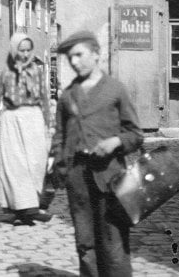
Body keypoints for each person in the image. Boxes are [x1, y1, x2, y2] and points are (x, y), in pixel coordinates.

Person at [50, 30, 143, 277]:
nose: (74, 62)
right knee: (85, 242)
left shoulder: (115, 89)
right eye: (70, 58)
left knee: (113, 241)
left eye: (79, 55)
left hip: (111, 177)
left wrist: (115, 142)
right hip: (78, 178)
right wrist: (60, 167)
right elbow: (59, 135)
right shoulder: (68, 94)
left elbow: (135, 134)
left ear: (96, 54)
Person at [0, 32, 52, 226]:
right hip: (12, 119)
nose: (25, 54)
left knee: (36, 162)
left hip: (34, 118)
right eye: (21, 50)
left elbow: (44, 98)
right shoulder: (6, 73)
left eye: (28, 50)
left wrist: (49, 124)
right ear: (14, 50)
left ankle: (32, 204)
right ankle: (21, 208)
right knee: (15, 165)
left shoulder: (37, 72)